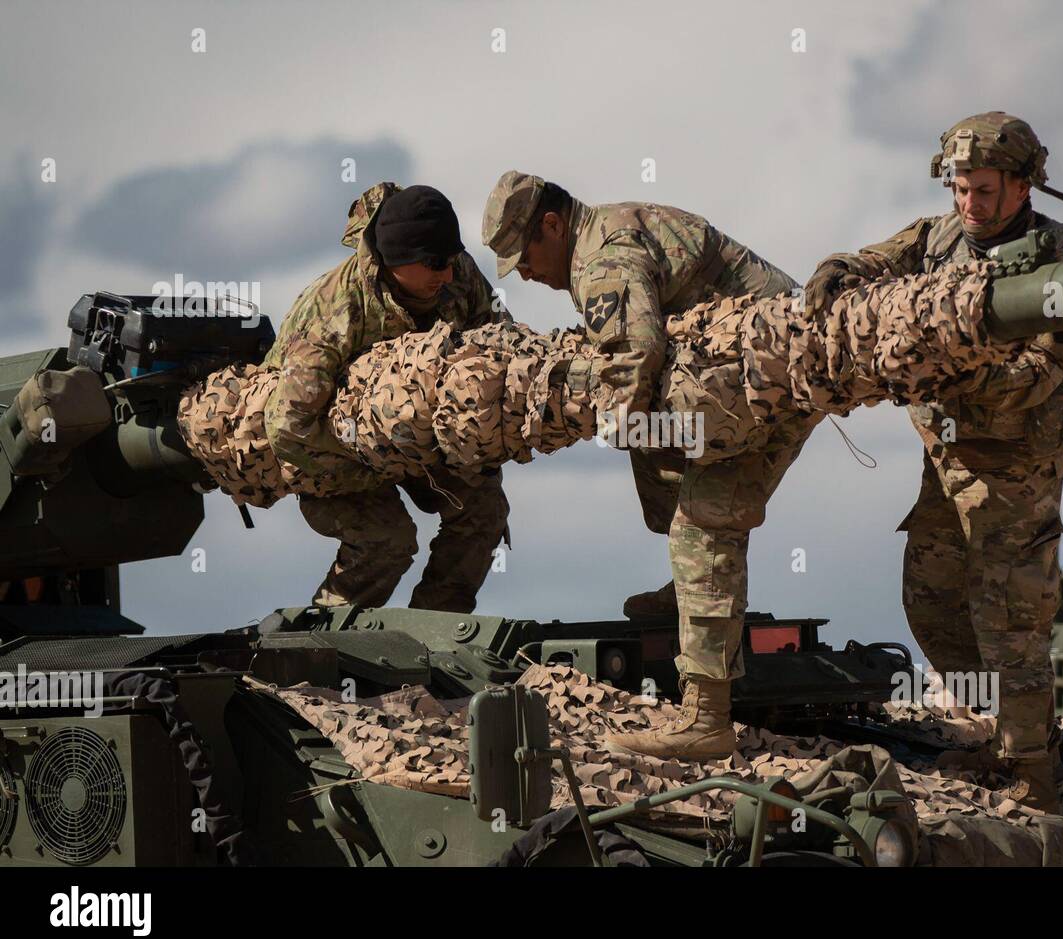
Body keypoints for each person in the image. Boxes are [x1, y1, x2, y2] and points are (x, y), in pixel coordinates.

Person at [804, 113, 1063, 812]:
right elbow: (878, 259)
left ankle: (1034, 773)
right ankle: (997, 729)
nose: (971, 204)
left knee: (1010, 620)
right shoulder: (937, 237)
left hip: (1015, 468)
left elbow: (1040, 372)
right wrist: (839, 271)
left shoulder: (1059, 259)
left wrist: (951, 374)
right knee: (932, 601)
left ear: (1025, 185)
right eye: (961, 189)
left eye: (986, 191)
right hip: (947, 462)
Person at [483, 171, 818, 759]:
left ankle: (707, 720)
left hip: (765, 382)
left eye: (526, 257)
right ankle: (694, 592)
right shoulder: (608, 231)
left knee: (703, 523)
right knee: (654, 441)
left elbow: (636, 352)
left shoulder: (601, 263)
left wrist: (592, 420)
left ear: (554, 226)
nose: (527, 275)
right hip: (760, 373)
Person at [263, 182, 510, 612]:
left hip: (416, 446)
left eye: (451, 260)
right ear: (396, 259)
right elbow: (288, 428)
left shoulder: (456, 275)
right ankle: (321, 646)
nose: (448, 275)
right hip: (326, 454)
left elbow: (500, 343)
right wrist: (375, 466)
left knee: (483, 509)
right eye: (435, 264)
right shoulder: (334, 311)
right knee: (389, 540)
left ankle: (437, 632)